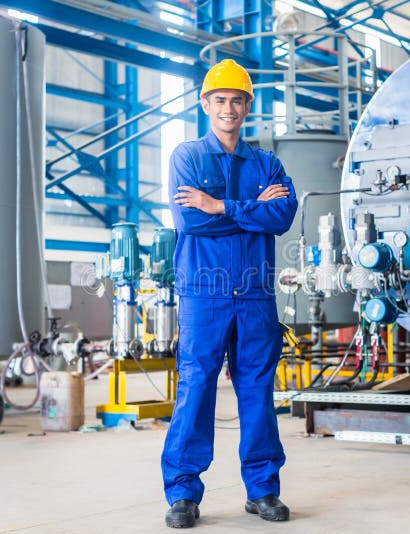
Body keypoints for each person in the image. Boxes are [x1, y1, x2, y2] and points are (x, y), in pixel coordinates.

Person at [160, 59, 298, 528]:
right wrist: (248, 210)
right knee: (196, 387)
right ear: (206, 104)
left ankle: (262, 490)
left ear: (247, 106)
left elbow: (281, 218)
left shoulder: (267, 163)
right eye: (220, 100)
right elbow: (190, 221)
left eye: (237, 100)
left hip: (255, 295)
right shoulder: (187, 157)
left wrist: (220, 205)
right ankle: (182, 493)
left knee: (257, 391)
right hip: (205, 293)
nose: (228, 109)